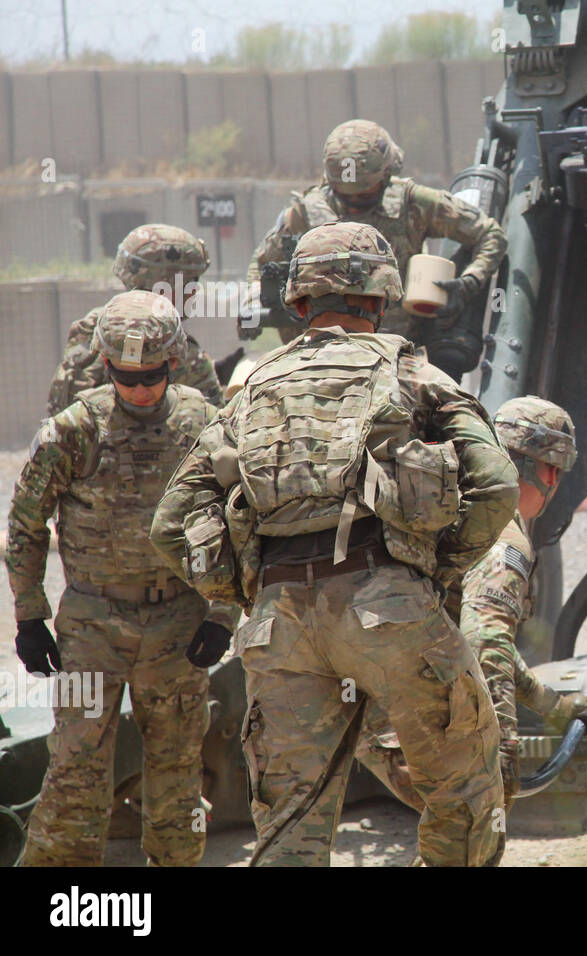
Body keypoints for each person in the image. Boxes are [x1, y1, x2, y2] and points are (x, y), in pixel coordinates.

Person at [151, 221, 519, 866]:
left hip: (277, 626)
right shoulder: (409, 366)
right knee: (464, 788)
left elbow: (169, 523)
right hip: (391, 607)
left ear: (296, 305)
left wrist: (243, 592)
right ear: (381, 299)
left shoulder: (252, 387)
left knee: (291, 820)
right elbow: (495, 483)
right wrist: (435, 568)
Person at [8, 291, 233, 865]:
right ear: (106, 366)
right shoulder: (72, 430)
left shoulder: (204, 425)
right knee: (76, 772)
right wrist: (30, 616)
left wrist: (223, 613)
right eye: (126, 377)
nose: (140, 389)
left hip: (178, 630)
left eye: (152, 376)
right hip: (91, 631)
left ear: (173, 364)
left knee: (177, 771)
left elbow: (240, 519)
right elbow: (25, 527)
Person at [356, 397, 587, 851]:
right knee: (470, 836)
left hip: (361, 692)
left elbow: (475, 640)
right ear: (549, 472)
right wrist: (502, 751)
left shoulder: (452, 506)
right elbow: (485, 640)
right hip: (395, 714)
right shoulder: (503, 534)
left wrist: (553, 706)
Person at [245, 118, 505, 356]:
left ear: (386, 176)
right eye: (345, 197)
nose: (355, 204)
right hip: (320, 356)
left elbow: (489, 234)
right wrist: (251, 304)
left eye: (365, 195)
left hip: (401, 354)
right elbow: (262, 264)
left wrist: (471, 281)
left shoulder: (413, 203)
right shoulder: (305, 213)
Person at [48, 224, 223, 414]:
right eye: (190, 282)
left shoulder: (95, 327)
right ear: (163, 283)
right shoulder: (173, 345)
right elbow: (215, 429)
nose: (194, 291)